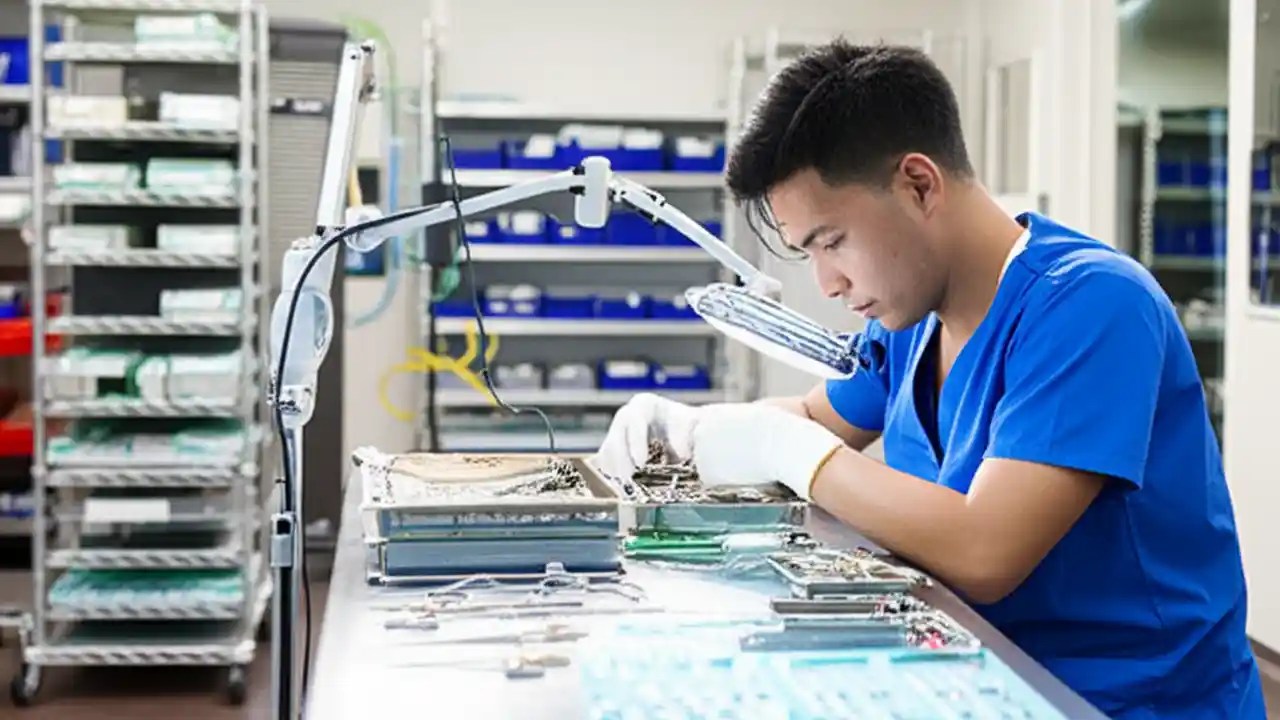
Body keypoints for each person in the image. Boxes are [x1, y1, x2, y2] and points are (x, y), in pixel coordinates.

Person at [592, 40, 1266, 719]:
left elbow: (985, 550)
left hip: (1124, 702)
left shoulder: (1093, 304)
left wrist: (778, 445)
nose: (828, 283)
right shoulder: (909, 319)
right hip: (979, 673)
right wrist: (688, 431)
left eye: (832, 242)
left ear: (919, 185)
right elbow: (817, 419)